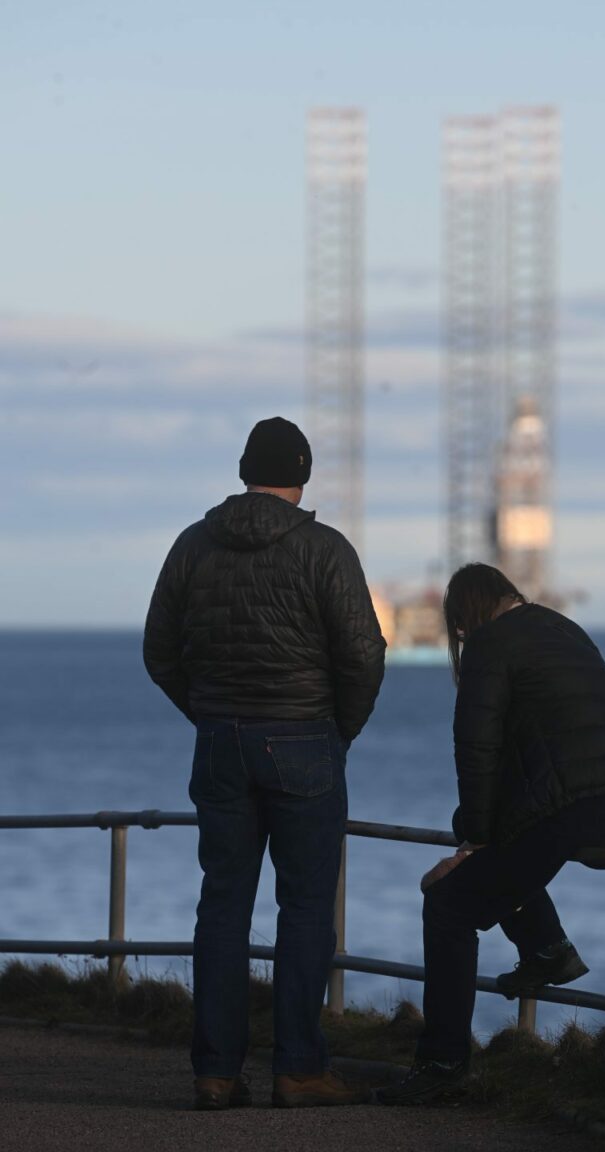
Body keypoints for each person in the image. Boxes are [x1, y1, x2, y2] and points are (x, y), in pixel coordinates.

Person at [143, 416, 386, 1111]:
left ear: (245, 470)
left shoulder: (193, 545)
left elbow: (159, 651)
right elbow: (364, 654)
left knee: (222, 908)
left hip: (220, 740)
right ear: (303, 476)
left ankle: (216, 1072)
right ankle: (300, 1069)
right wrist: (339, 732)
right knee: (305, 909)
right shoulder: (324, 549)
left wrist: (209, 714)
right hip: (305, 738)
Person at [379, 562, 605, 1105]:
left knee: (448, 905)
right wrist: (482, 834)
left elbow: (477, 747)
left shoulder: (490, 643)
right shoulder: (562, 628)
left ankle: (441, 1064)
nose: (461, 639)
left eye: (458, 629)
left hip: (575, 808)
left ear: (466, 617)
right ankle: (546, 949)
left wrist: (473, 837)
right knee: (502, 856)